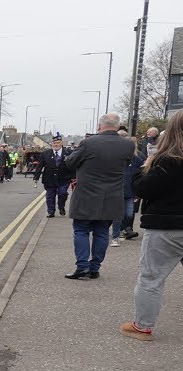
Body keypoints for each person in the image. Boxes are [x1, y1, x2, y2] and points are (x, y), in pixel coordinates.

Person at [121, 112, 183, 340]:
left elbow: (143, 188)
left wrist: (146, 165)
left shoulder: (168, 160)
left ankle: (143, 326)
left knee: (151, 277)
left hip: (167, 226)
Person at [64, 113, 135, 280]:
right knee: (102, 232)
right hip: (112, 196)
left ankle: (82, 267)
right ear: (117, 127)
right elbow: (125, 165)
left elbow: (70, 163)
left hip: (87, 195)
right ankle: (95, 268)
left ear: (99, 126)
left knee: (81, 230)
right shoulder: (128, 145)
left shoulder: (88, 143)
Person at [40, 136, 73, 218]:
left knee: (62, 193)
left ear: (62, 143)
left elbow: (73, 165)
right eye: (54, 143)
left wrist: (74, 176)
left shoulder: (68, 153)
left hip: (64, 178)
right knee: (50, 196)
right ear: (52, 144)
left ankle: (61, 207)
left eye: (58, 143)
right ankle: (51, 212)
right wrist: (36, 177)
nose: (56, 144)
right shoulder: (45, 153)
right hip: (49, 178)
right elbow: (40, 165)